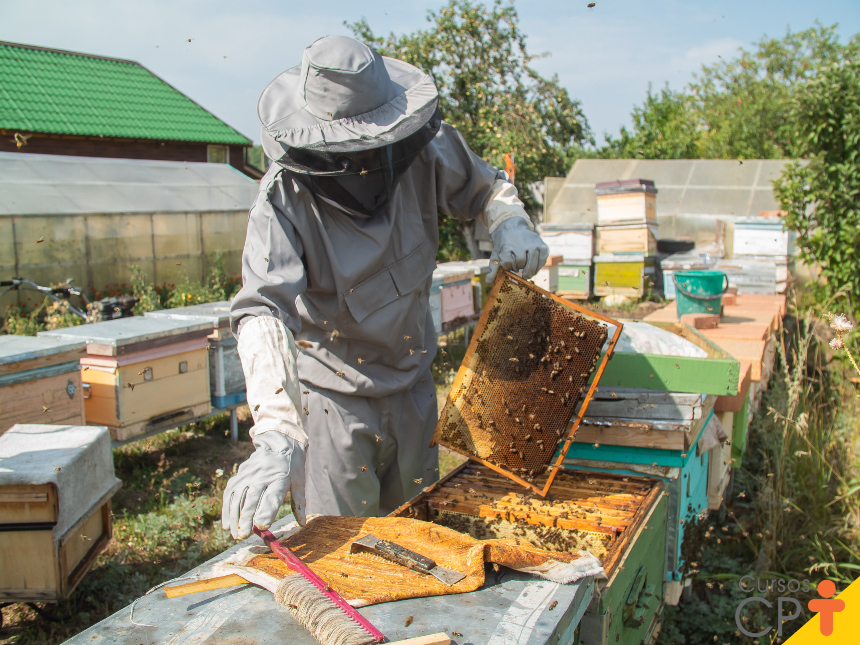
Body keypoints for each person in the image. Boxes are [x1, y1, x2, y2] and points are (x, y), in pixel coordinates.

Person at [222, 35, 548, 540]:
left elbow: (487, 187)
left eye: (374, 146)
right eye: (351, 152)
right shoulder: (281, 200)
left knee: (422, 540)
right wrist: (275, 432)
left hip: (414, 387)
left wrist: (509, 221)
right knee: (347, 553)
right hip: (334, 402)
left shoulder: (424, 148)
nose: (365, 164)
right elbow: (263, 312)